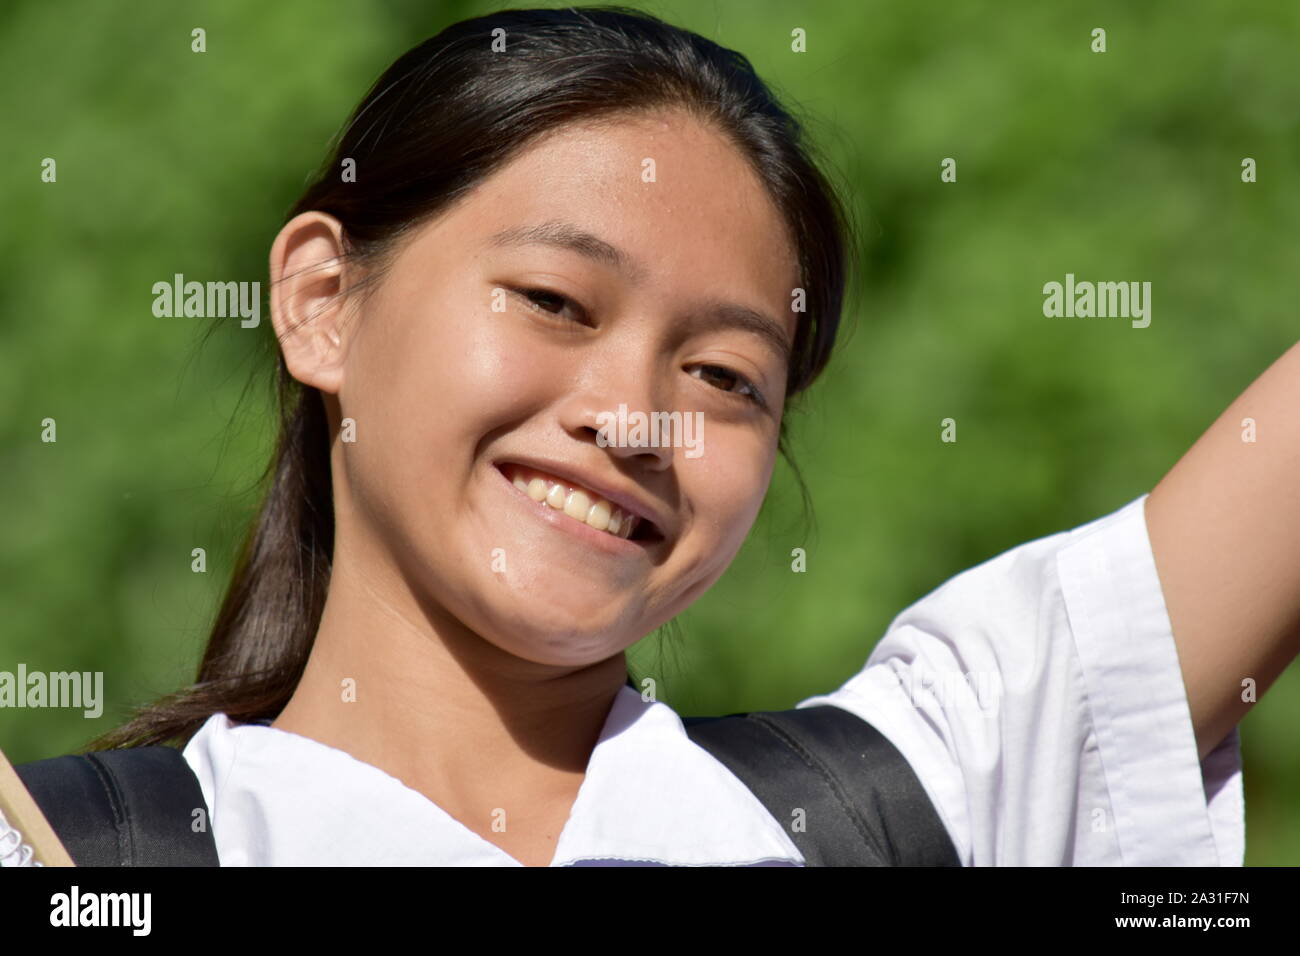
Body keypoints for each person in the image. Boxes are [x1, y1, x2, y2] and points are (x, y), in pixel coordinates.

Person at [40, 6, 1294, 866]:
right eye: (552, 302)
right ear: (323, 303)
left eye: (722, 375)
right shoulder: (68, 856)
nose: (630, 414)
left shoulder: (918, 803)